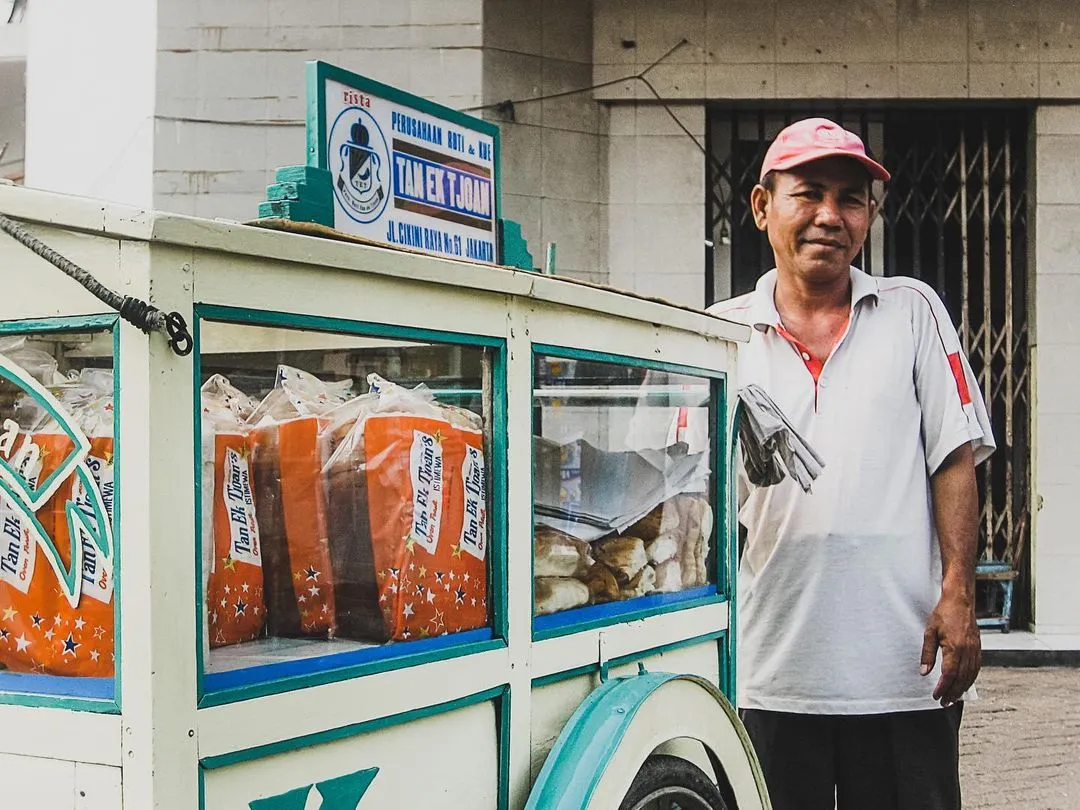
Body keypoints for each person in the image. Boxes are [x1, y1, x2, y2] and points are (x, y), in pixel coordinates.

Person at [707, 118, 995, 810]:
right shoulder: (719, 334)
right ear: (761, 207)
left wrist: (959, 596)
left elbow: (954, 459)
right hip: (770, 669)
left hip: (904, 670)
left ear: (870, 215)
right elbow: (690, 499)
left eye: (851, 198)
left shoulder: (913, 311)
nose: (830, 216)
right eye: (809, 193)